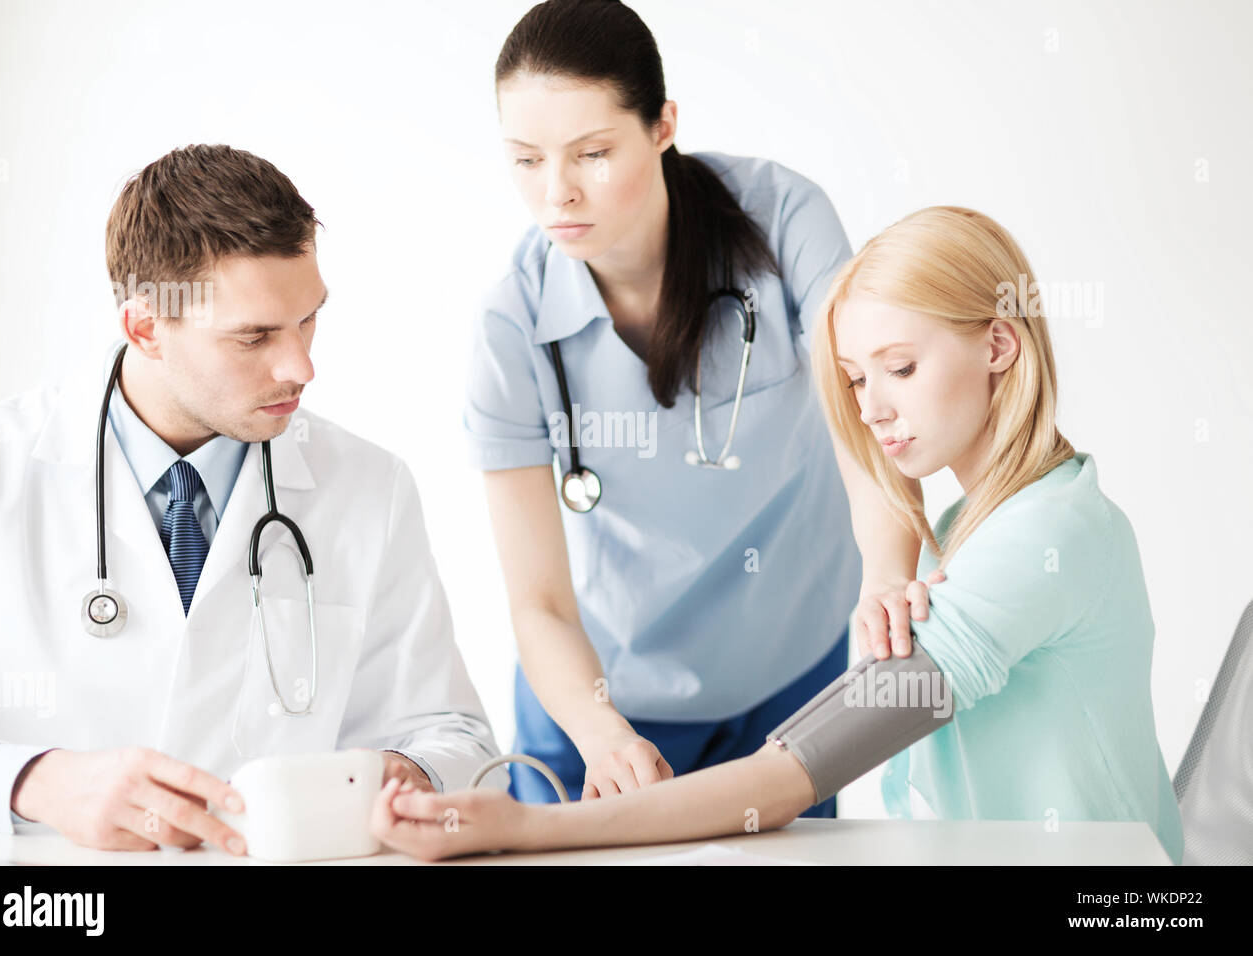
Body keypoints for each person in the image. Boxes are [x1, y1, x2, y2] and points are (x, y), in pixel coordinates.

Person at [372, 205, 1186, 866]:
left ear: (999, 344)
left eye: (900, 368)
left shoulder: (1044, 539)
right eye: (856, 379)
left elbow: (793, 776)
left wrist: (519, 827)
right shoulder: (965, 534)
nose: (869, 410)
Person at [0, 144, 504, 854]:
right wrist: (37, 782)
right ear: (145, 327)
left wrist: (411, 771)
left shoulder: (371, 488)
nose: (302, 366)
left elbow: (458, 739)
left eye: (309, 319)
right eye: (255, 336)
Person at [465, 0, 929, 814]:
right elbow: (537, 601)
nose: (557, 192)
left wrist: (889, 577)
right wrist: (603, 734)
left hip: (790, 671)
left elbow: (871, 416)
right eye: (525, 159)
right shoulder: (513, 327)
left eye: (594, 152)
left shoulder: (784, 220)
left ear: (663, 124)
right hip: (598, 696)